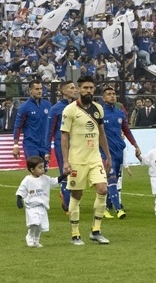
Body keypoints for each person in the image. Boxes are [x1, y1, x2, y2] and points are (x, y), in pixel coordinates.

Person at [60, 75, 111, 245]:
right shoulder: (70, 110)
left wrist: (108, 156)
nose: (89, 90)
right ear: (79, 89)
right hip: (77, 160)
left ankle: (96, 230)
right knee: (77, 194)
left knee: (103, 189)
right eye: (85, 88)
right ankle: (75, 234)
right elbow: (64, 137)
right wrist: (66, 162)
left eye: (91, 88)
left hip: (95, 158)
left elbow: (102, 133)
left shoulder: (98, 109)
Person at [100, 86, 140, 218]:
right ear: (103, 98)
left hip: (118, 152)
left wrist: (135, 145)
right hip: (105, 153)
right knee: (111, 179)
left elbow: (126, 130)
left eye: (114, 94)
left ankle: (105, 208)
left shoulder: (119, 113)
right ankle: (118, 209)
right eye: (109, 94)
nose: (112, 96)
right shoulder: (99, 113)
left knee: (114, 180)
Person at [48, 81, 77, 211]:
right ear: (64, 91)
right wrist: (46, 150)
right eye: (72, 88)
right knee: (65, 172)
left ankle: (71, 199)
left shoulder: (78, 106)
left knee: (76, 174)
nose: (75, 90)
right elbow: (49, 131)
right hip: (62, 146)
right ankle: (67, 205)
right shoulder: (55, 109)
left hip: (77, 146)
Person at [16, 155, 55, 248]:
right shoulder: (27, 180)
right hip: (32, 207)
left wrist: (64, 175)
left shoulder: (45, 178)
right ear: (32, 169)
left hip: (42, 207)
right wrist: (19, 199)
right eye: (40, 167)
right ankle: (30, 236)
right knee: (34, 222)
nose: (43, 169)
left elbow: (55, 181)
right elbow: (21, 190)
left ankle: (36, 240)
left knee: (40, 225)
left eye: (43, 167)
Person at [14, 80, 51, 164]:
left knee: (43, 172)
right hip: (31, 145)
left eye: (41, 88)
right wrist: (15, 145)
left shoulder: (47, 105)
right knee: (35, 169)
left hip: (44, 145)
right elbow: (18, 126)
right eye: (37, 89)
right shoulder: (24, 107)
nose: (39, 91)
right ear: (30, 91)